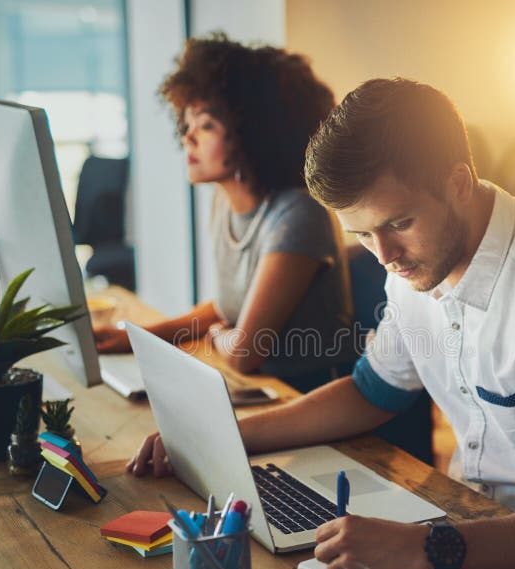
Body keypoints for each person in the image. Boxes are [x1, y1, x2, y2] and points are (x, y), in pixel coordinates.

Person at [130, 77, 515, 569]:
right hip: (463, 534)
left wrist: (427, 550)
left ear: (458, 184)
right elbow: (371, 392)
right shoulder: (413, 267)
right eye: (362, 234)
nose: (384, 256)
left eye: (398, 224)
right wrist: (222, 437)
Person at [94, 34, 353, 394]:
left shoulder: (298, 216)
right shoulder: (225, 203)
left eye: (207, 125)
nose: (188, 137)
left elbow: (244, 352)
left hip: (304, 396)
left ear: (253, 132)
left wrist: (218, 336)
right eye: (187, 123)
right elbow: (225, 308)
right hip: (255, 387)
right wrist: (136, 338)